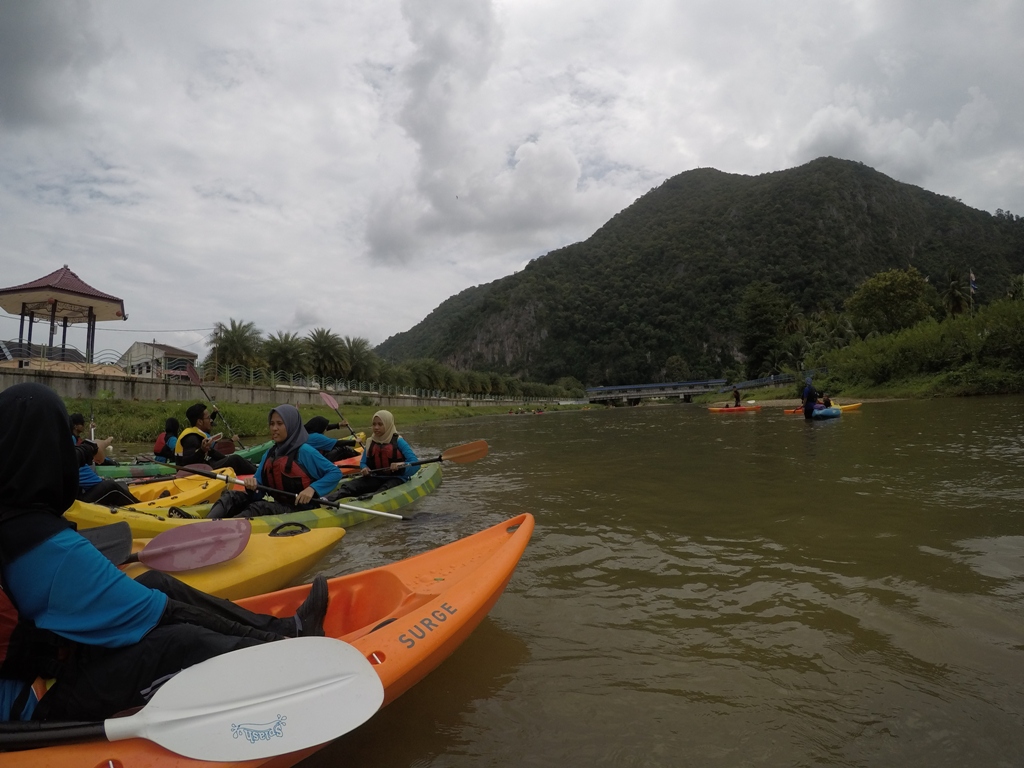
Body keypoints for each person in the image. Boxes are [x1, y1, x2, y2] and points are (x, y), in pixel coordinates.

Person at [0, 383, 329, 723]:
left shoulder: (12, 517)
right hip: (32, 707)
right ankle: (292, 655)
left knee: (157, 580)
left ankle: (289, 627)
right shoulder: (48, 548)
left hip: (43, 656)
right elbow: (161, 613)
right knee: (180, 640)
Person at [207, 405, 343, 519]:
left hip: (301, 510)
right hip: (280, 505)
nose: (274, 428)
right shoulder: (271, 453)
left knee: (260, 507)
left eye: (279, 424)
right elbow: (258, 491)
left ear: (290, 426)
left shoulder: (305, 451)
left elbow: (335, 472)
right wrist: (252, 485)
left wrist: (312, 489)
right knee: (231, 496)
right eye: (272, 424)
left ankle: (223, 528)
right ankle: (206, 524)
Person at [327, 410, 418, 501]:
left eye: (380, 424)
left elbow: (416, 464)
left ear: (388, 424)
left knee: (383, 490)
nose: (376, 427)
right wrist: (365, 468)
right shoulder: (371, 442)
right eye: (374, 424)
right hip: (376, 477)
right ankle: (327, 499)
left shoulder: (399, 441)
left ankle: (363, 500)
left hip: (396, 478)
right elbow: (363, 462)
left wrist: (401, 465)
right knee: (350, 486)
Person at [174, 403, 257, 475]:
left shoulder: (199, 436)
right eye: (208, 418)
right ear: (199, 422)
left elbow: (213, 453)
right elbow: (187, 462)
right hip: (193, 475)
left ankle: (253, 467)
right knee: (235, 459)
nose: (211, 420)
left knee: (232, 459)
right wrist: (202, 451)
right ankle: (258, 474)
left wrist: (226, 459)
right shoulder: (191, 438)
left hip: (203, 467)